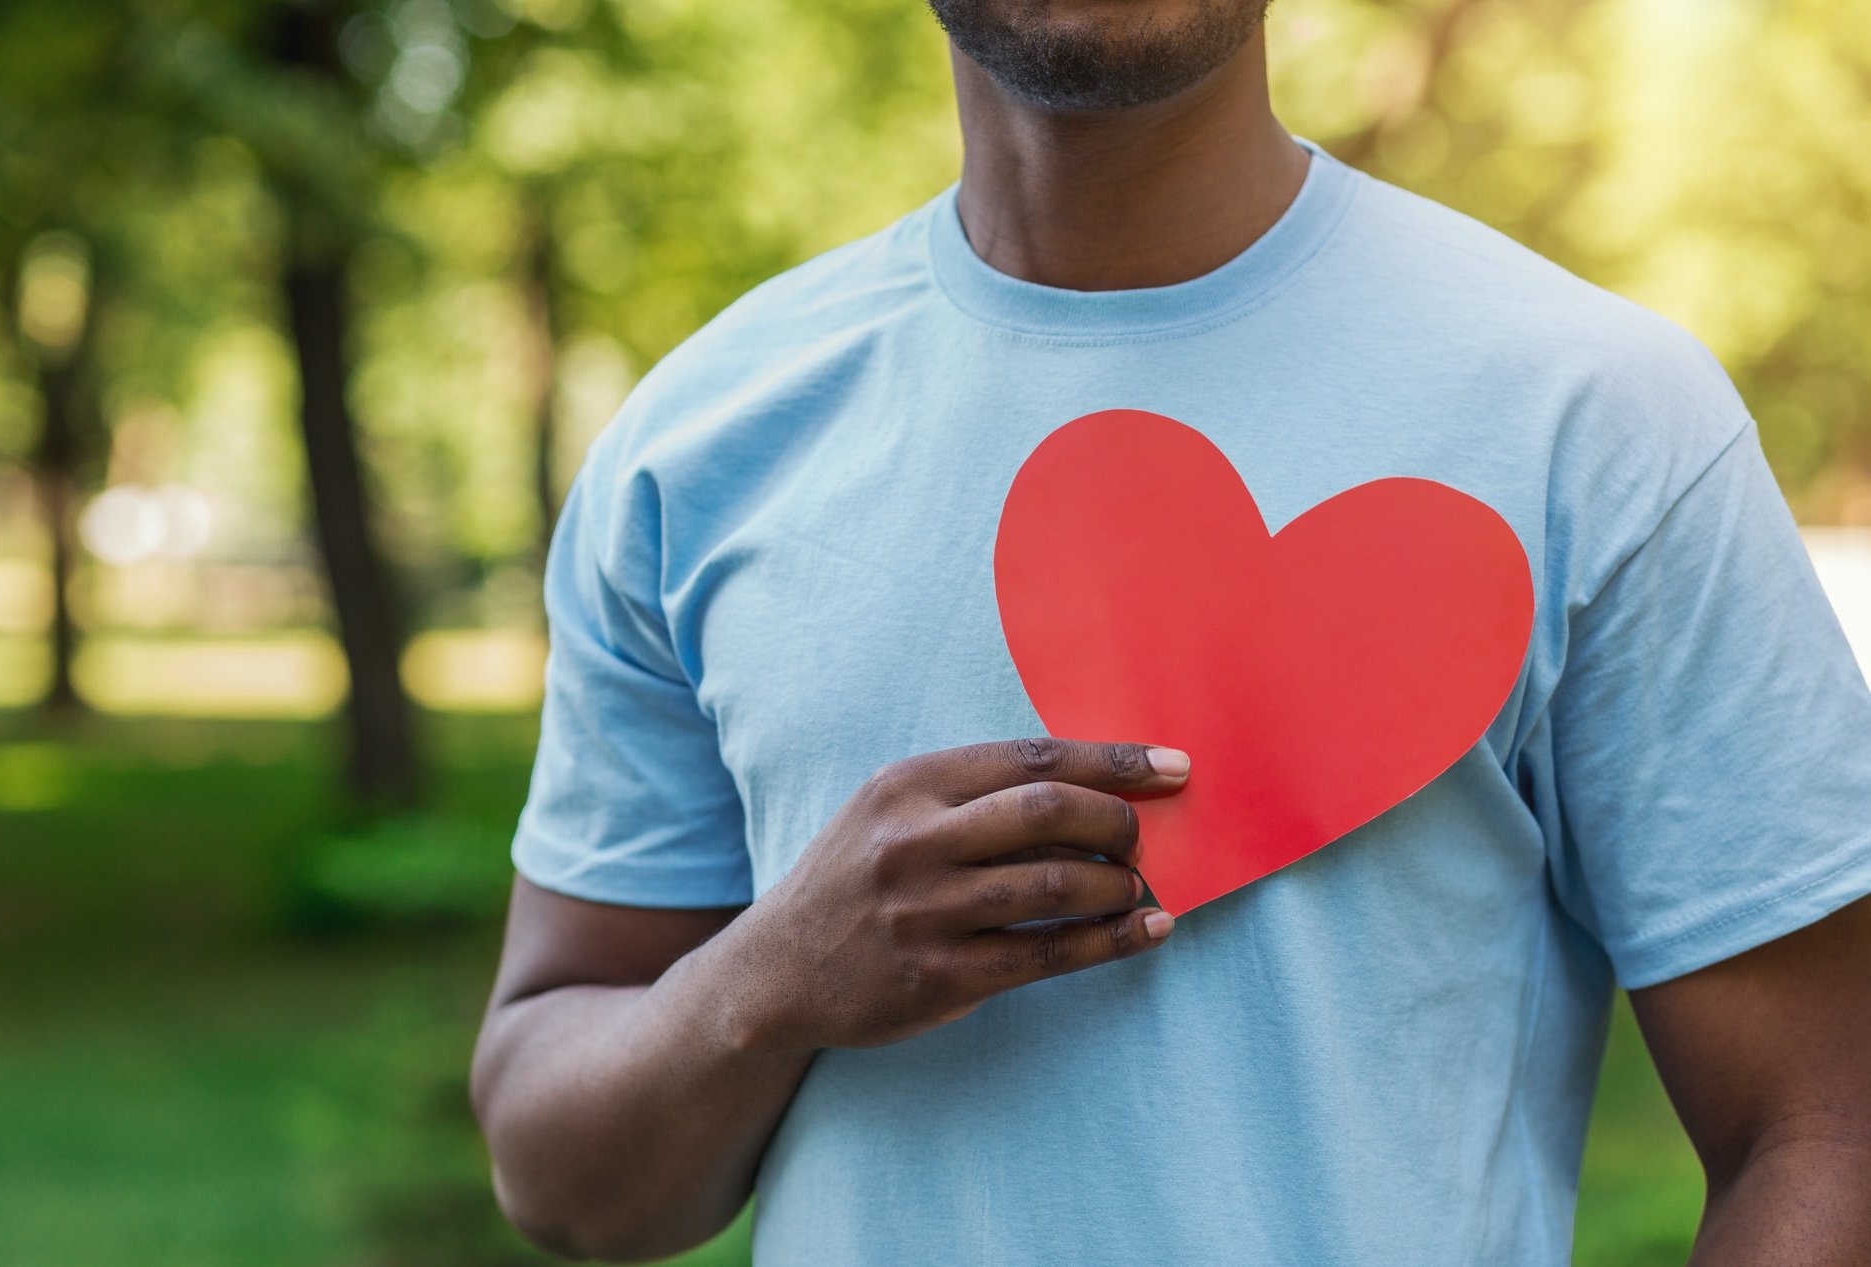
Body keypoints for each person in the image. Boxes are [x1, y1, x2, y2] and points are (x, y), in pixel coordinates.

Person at [471, 2, 1871, 1262]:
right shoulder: (698, 444)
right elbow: (565, 1183)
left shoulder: (1599, 419)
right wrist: (770, 982)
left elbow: (1824, 1132)